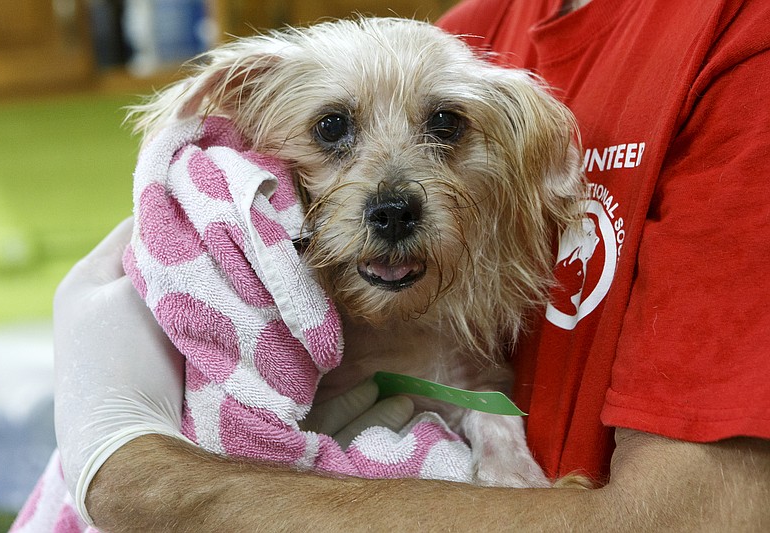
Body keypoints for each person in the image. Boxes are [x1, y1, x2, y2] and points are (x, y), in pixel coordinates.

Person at [53, 0, 770, 530]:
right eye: (334, 130)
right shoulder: (475, 29)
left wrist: (143, 477)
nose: (395, 192)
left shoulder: (736, 37)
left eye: (444, 127)